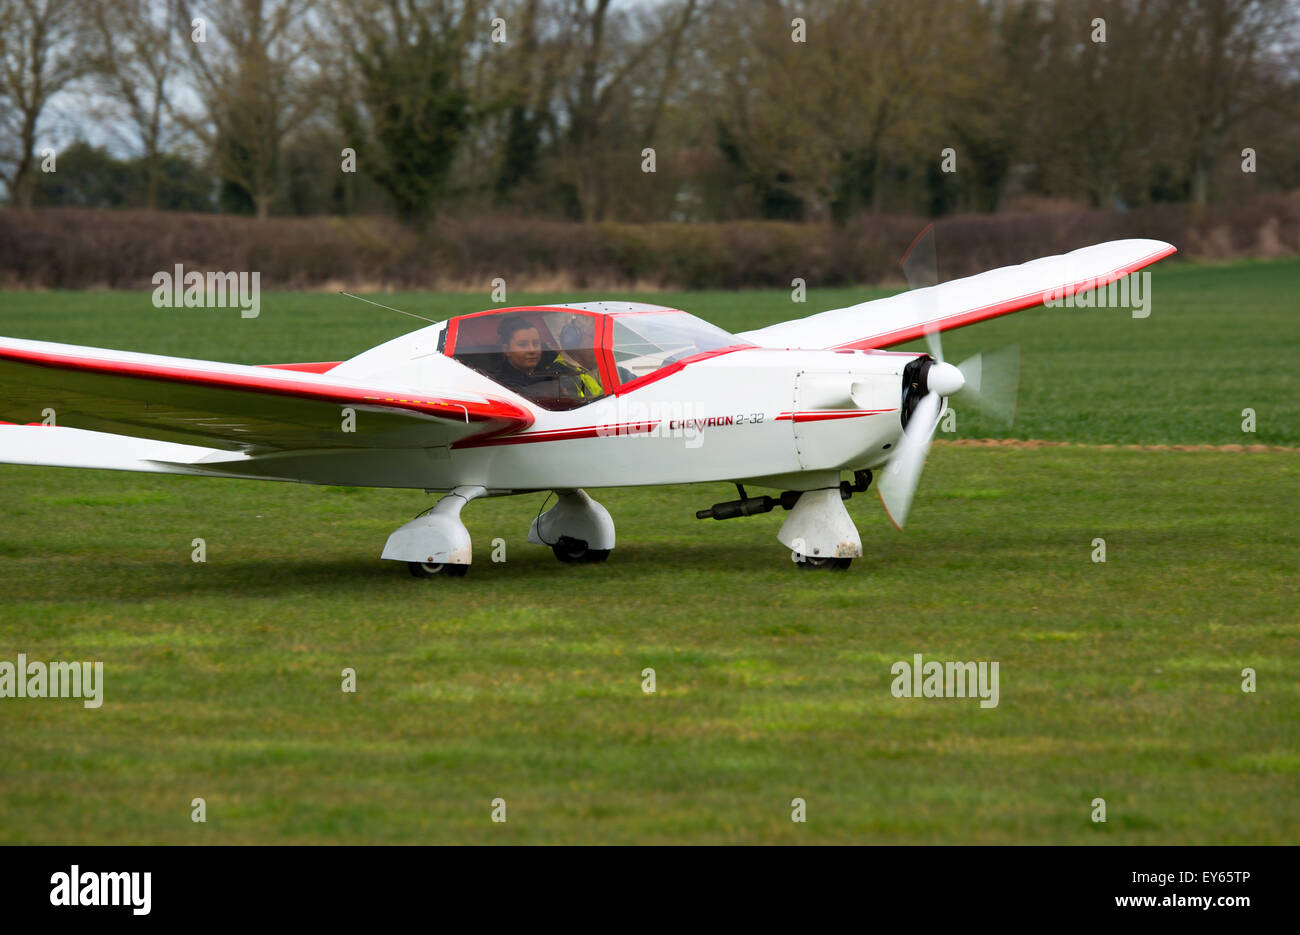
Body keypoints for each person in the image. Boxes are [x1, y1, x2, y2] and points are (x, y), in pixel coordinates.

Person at [492, 315, 602, 401]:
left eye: (536, 343)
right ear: (506, 349)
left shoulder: (547, 376)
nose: (532, 350)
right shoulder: (500, 385)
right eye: (523, 345)